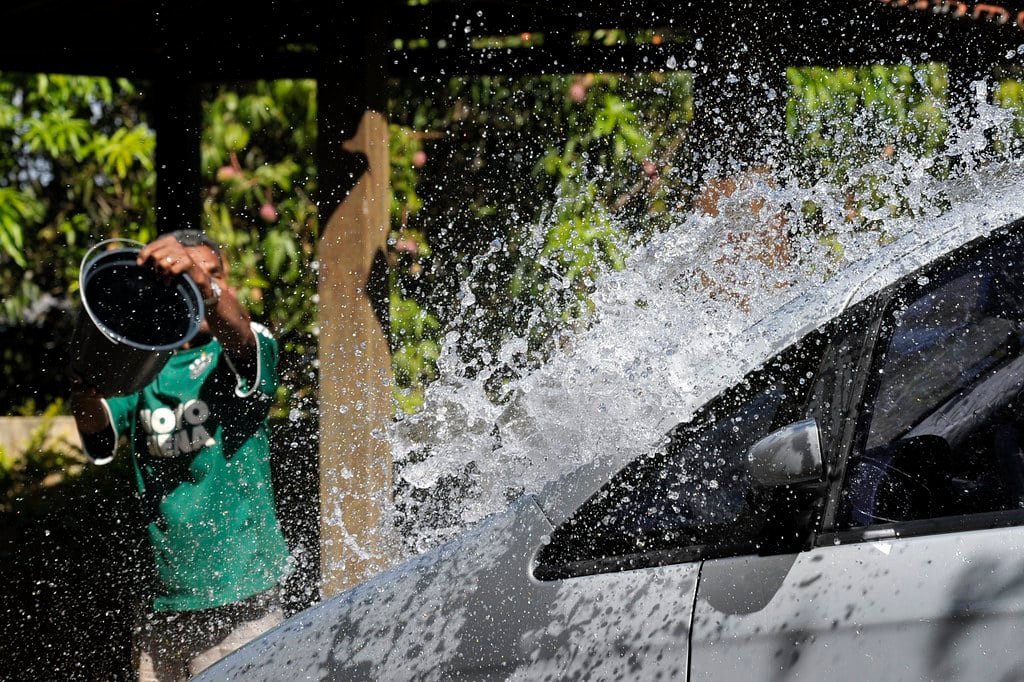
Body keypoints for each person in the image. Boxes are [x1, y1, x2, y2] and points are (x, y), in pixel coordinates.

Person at [69, 230, 291, 681]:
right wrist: (83, 386)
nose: (200, 284)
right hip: (163, 601)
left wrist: (205, 292)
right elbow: (99, 435)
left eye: (212, 277)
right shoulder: (143, 367)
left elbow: (244, 339)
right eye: (186, 277)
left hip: (241, 597)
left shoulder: (240, 353)